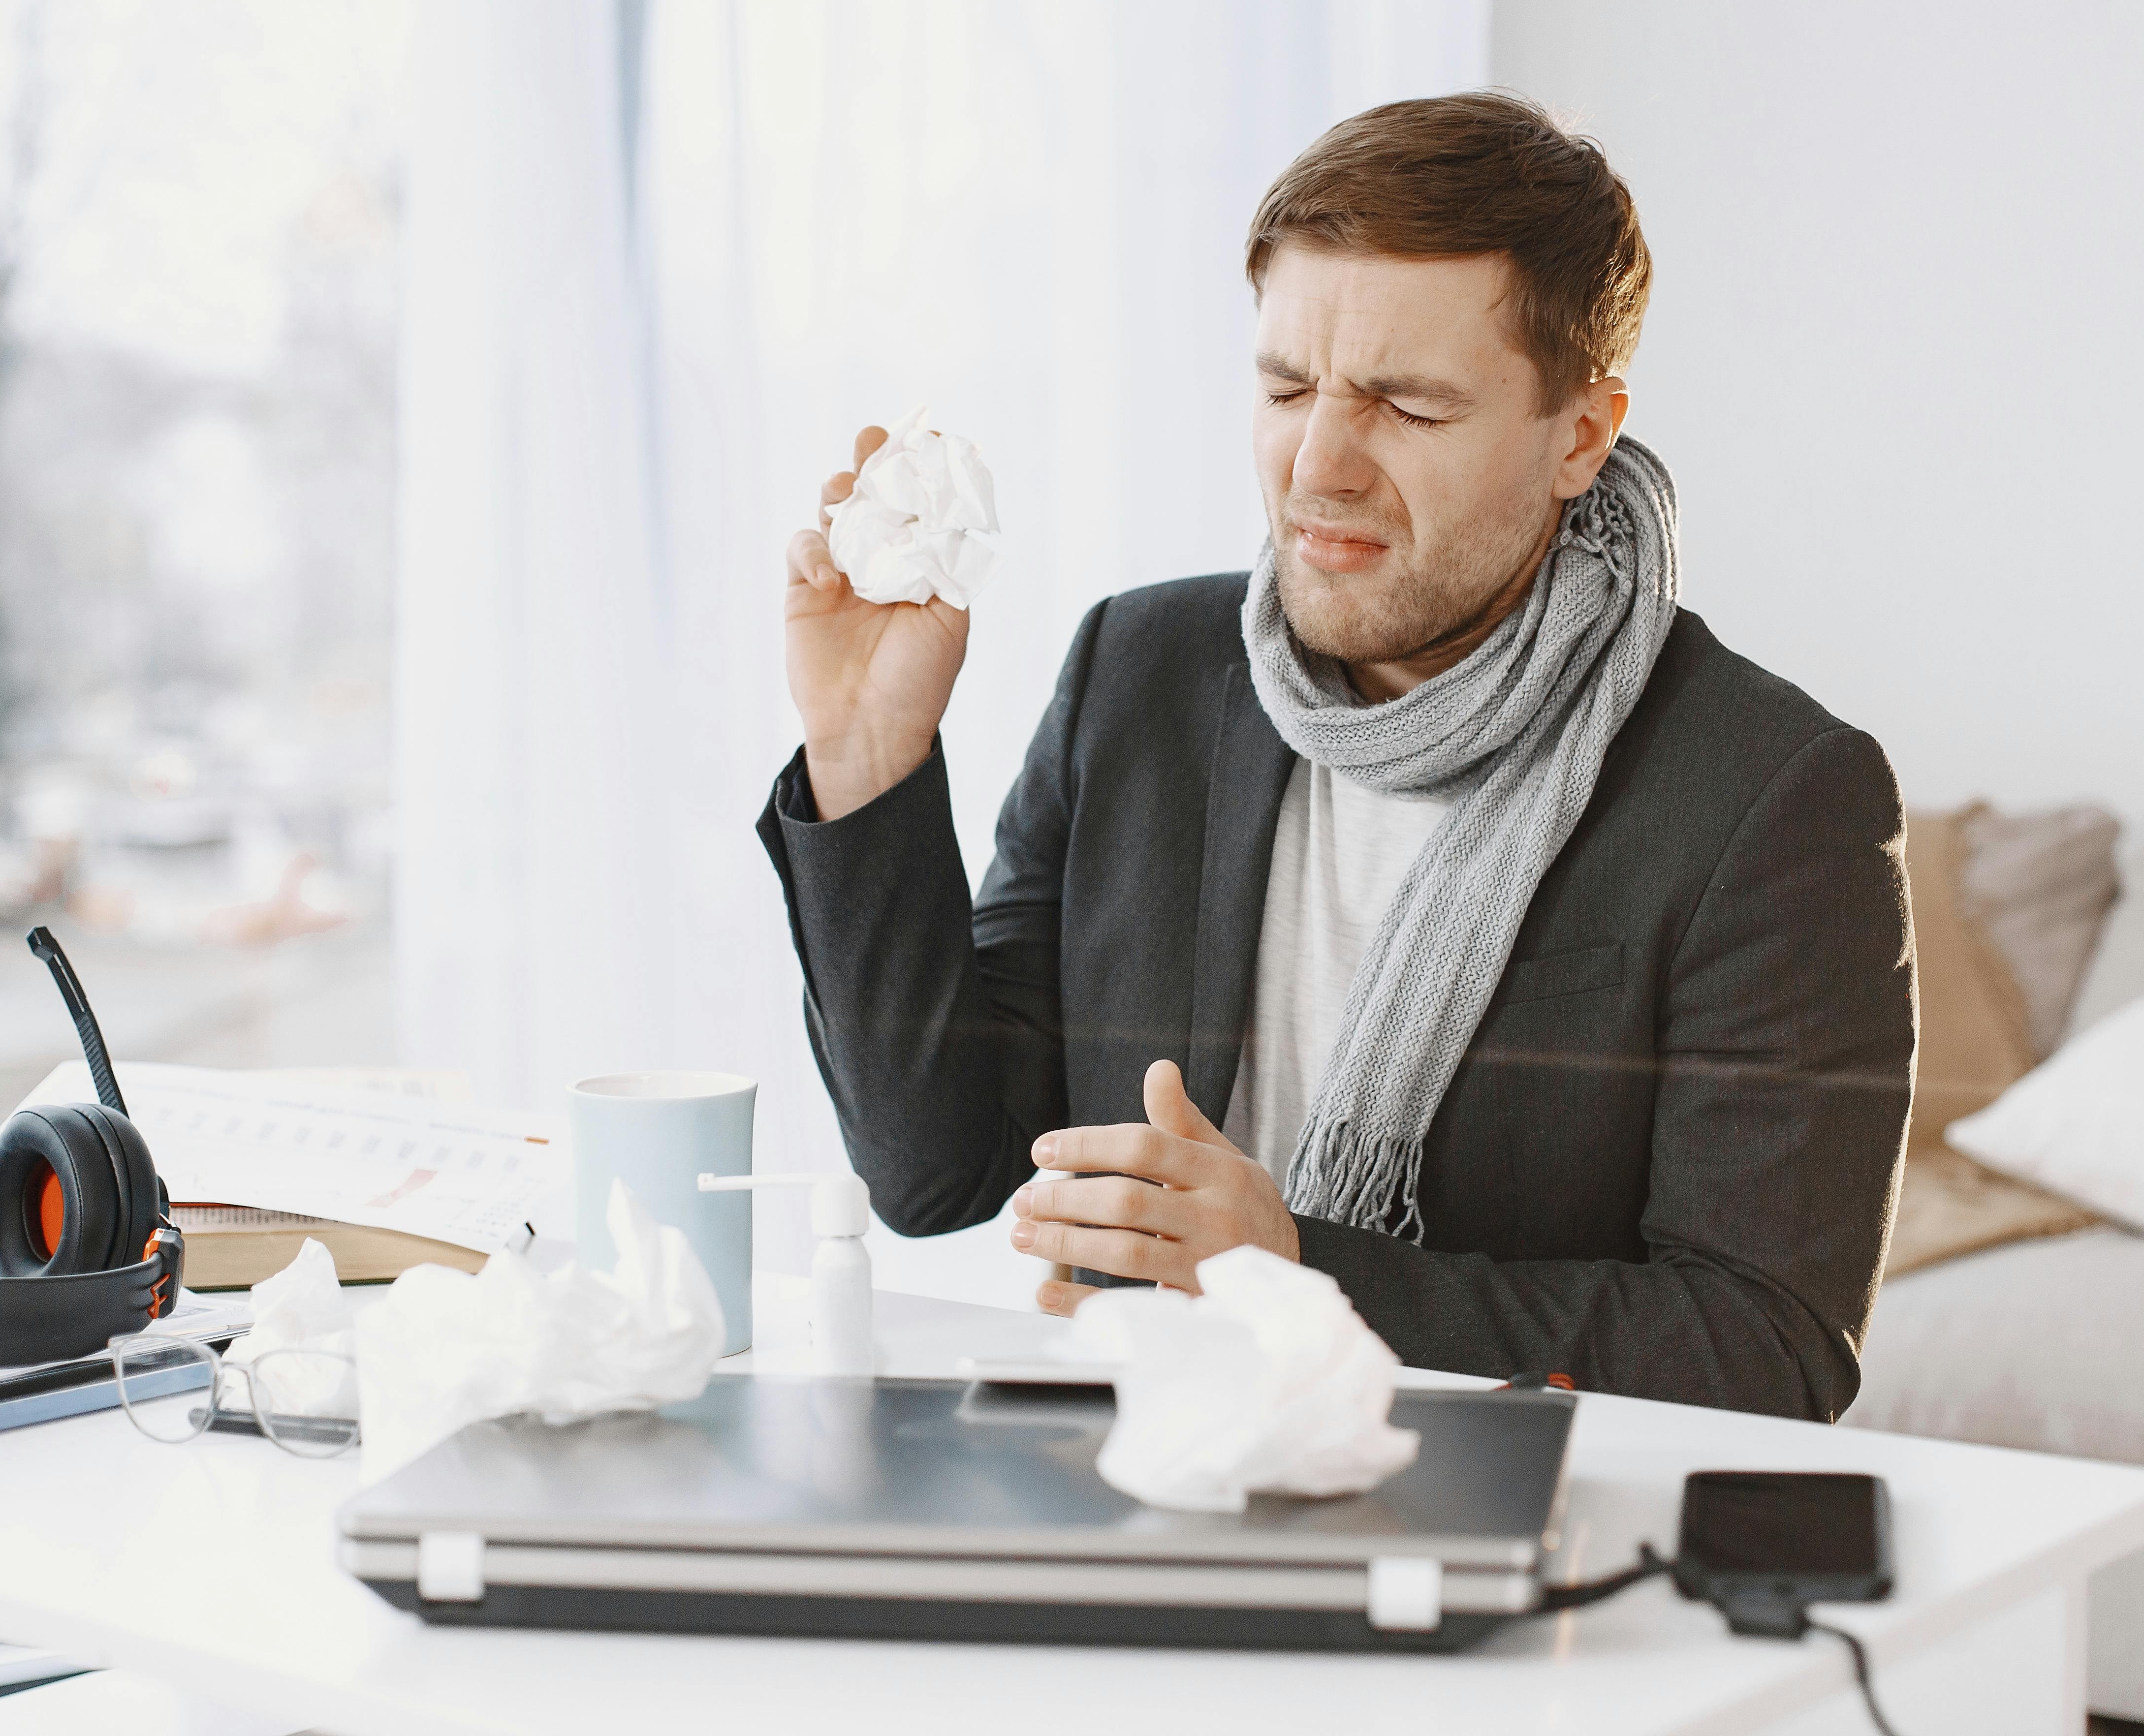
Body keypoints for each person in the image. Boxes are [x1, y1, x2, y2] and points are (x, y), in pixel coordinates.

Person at [757, 92, 1913, 1418]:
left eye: (1407, 407)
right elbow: (933, 1168)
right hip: (1139, 1468)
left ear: (1580, 437)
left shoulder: (1772, 798)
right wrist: (866, 753)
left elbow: (1770, 1350)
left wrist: (1299, 1275)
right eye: (1287, 387)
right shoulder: (1141, 674)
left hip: (1494, 1528)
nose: (1320, 464)